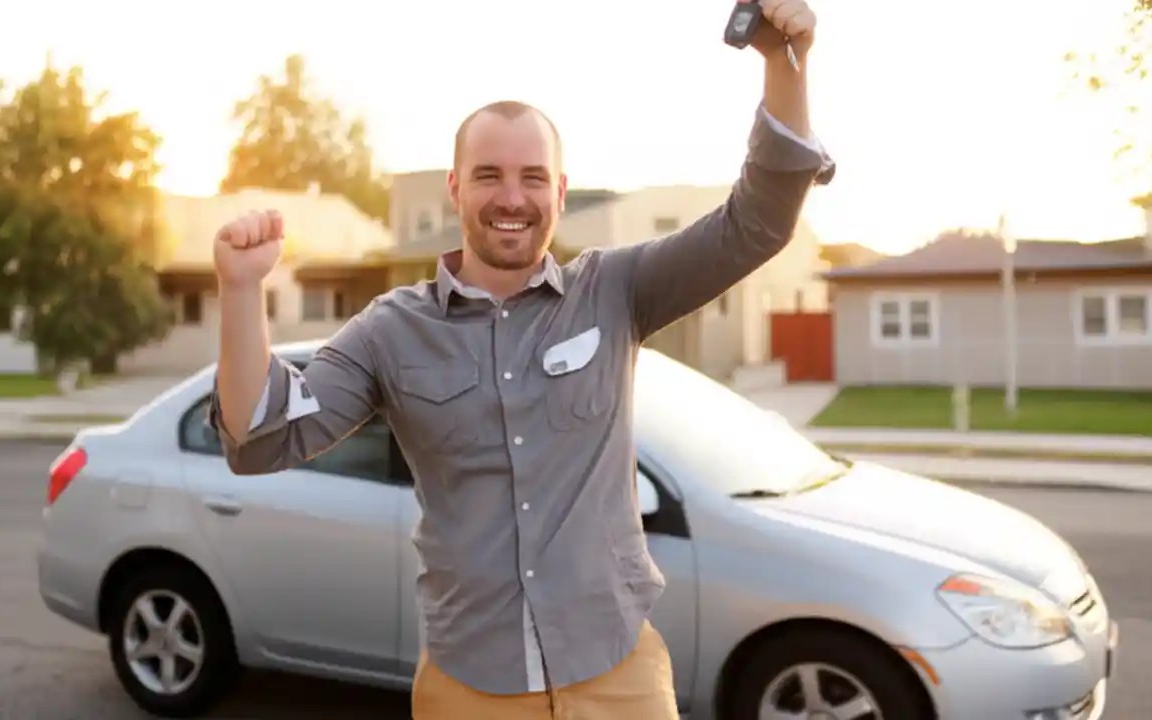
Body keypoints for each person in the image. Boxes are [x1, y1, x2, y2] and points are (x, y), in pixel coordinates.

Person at [207, 1, 833, 716]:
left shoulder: (616, 290)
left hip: (618, 676)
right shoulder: (391, 330)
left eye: (534, 177)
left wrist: (788, 64)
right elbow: (262, 439)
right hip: (470, 688)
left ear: (560, 193)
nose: (512, 198)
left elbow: (757, 223)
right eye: (489, 176)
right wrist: (240, 288)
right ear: (455, 188)